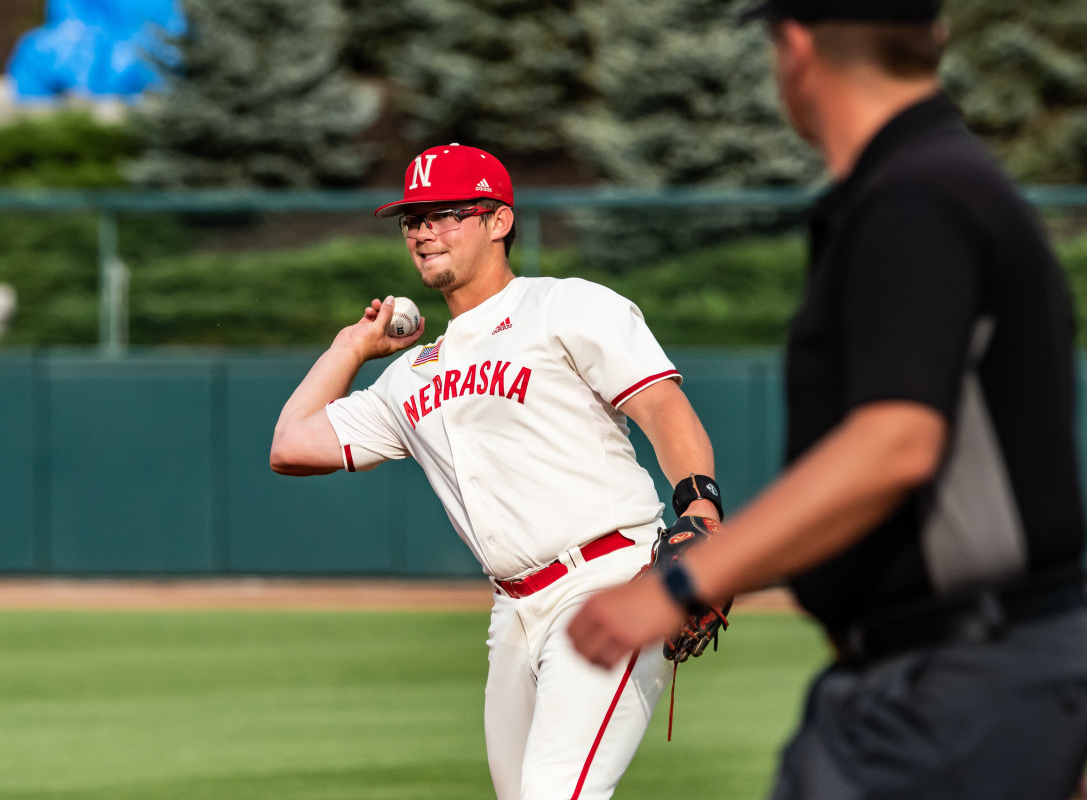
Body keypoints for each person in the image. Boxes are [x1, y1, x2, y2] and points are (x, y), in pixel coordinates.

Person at [568, 2, 1087, 798]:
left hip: (959, 680)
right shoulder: (949, 184)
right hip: (964, 674)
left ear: (796, 45)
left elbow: (896, 442)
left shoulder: (917, 198)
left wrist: (685, 582)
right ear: (933, 39)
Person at [269, 143, 723, 800]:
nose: (424, 231)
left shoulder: (563, 307)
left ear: (498, 221)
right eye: (413, 219)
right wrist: (352, 347)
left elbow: (660, 405)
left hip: (607, 577)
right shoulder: (407, 378)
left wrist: (700, 510)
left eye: (445, 213)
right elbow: (290, 444)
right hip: (512, 610)